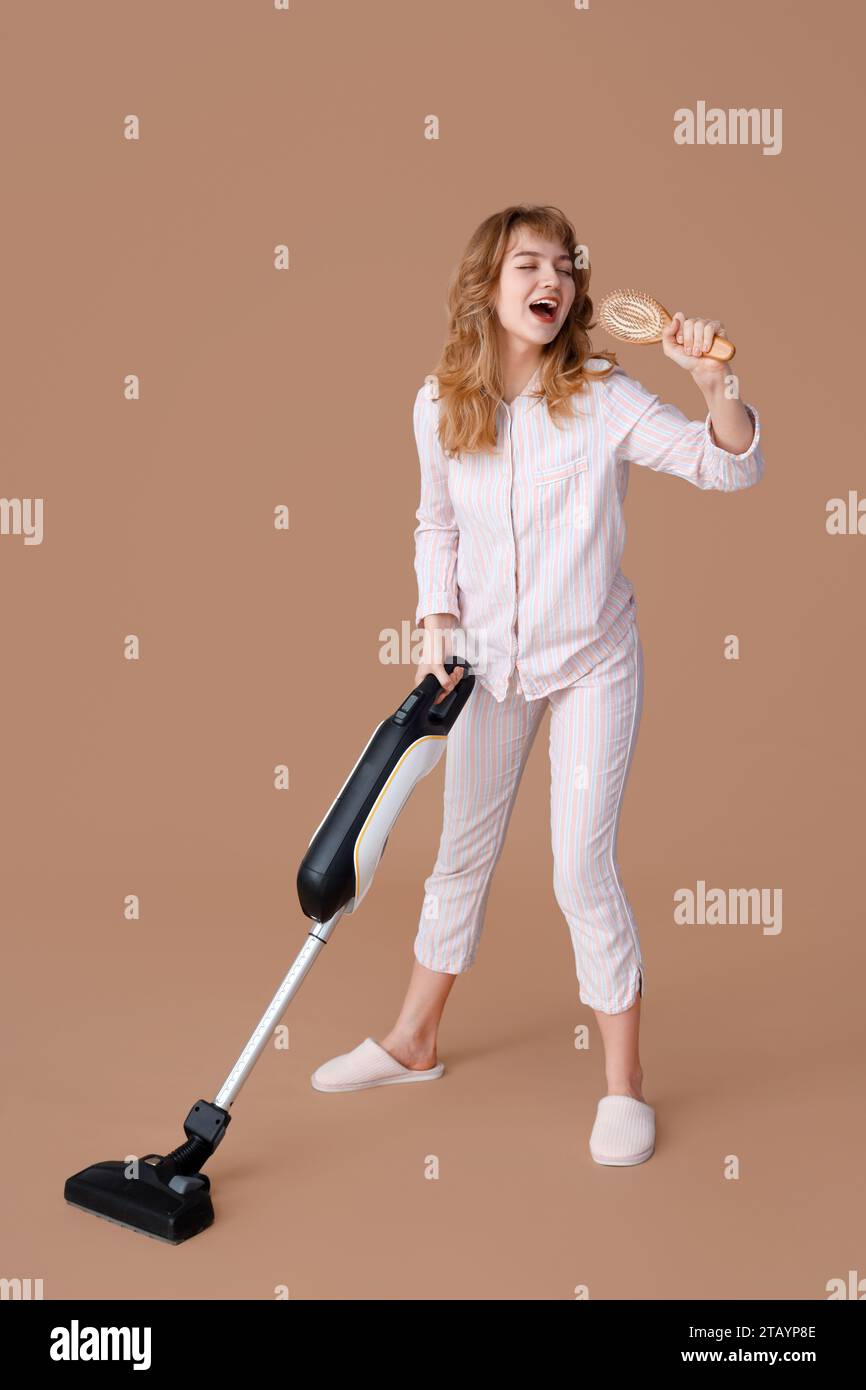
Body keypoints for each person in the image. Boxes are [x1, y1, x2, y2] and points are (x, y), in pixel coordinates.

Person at [310, 204, 764, 1166]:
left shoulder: (606, 397)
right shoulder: (440, 403)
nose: (548, 279)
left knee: (577, 870)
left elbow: (726, 469)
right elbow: (435, 522)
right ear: (488, 285)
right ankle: (411, 1043)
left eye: (563, 265)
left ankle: (623, 1089)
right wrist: (436, 620)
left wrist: (716, 384)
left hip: (593, 660)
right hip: (487, 668)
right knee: (459, 858)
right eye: (528, 263)